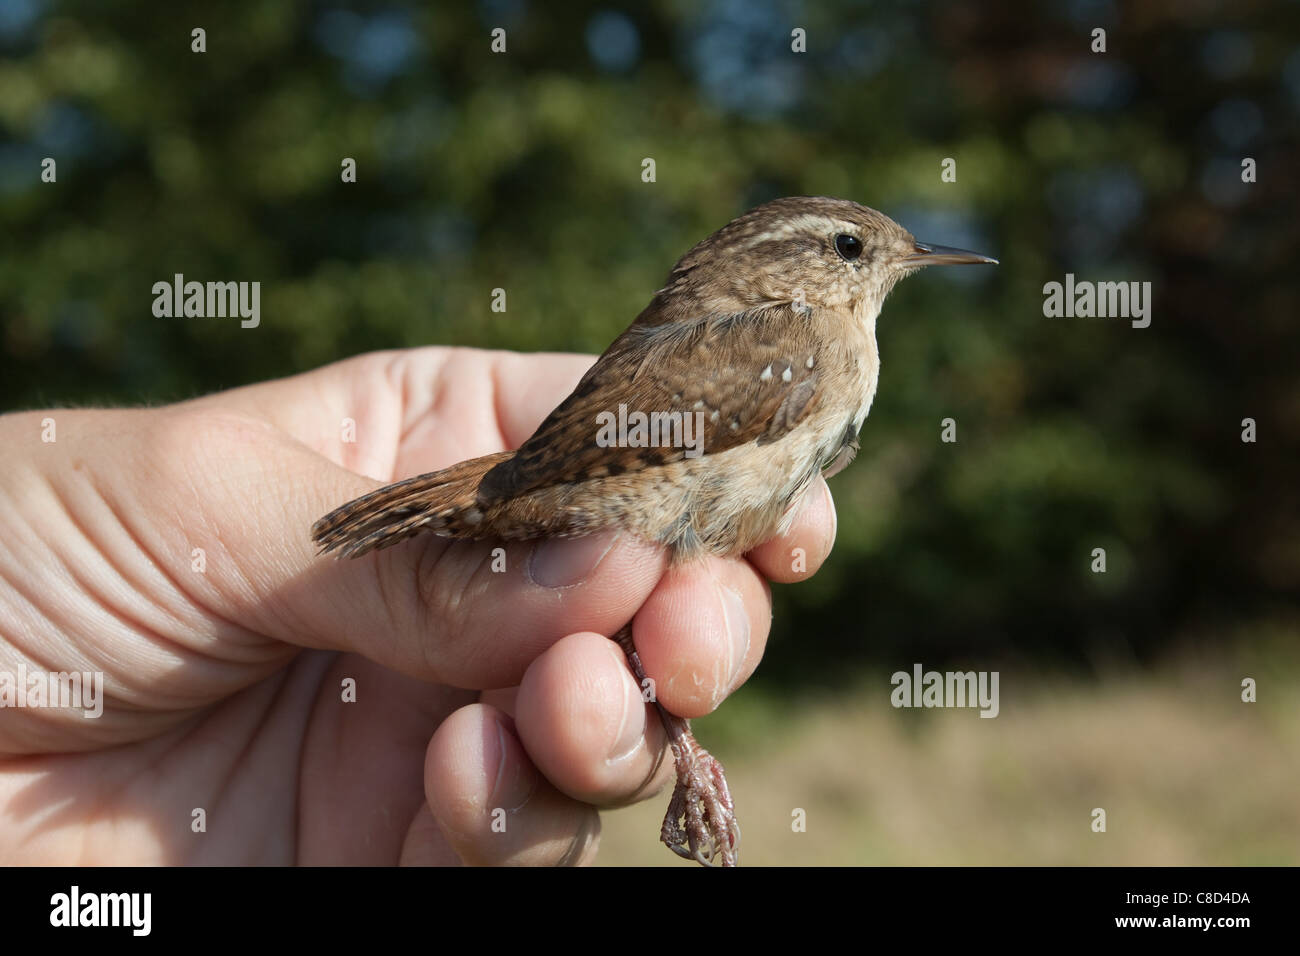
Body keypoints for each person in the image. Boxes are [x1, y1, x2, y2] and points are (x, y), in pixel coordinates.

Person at [0, 347, 837, 864]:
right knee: (625, 611)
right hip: (586, 494)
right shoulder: (799, 346)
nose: (883, 266)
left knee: (634, 636)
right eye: (848, 250)